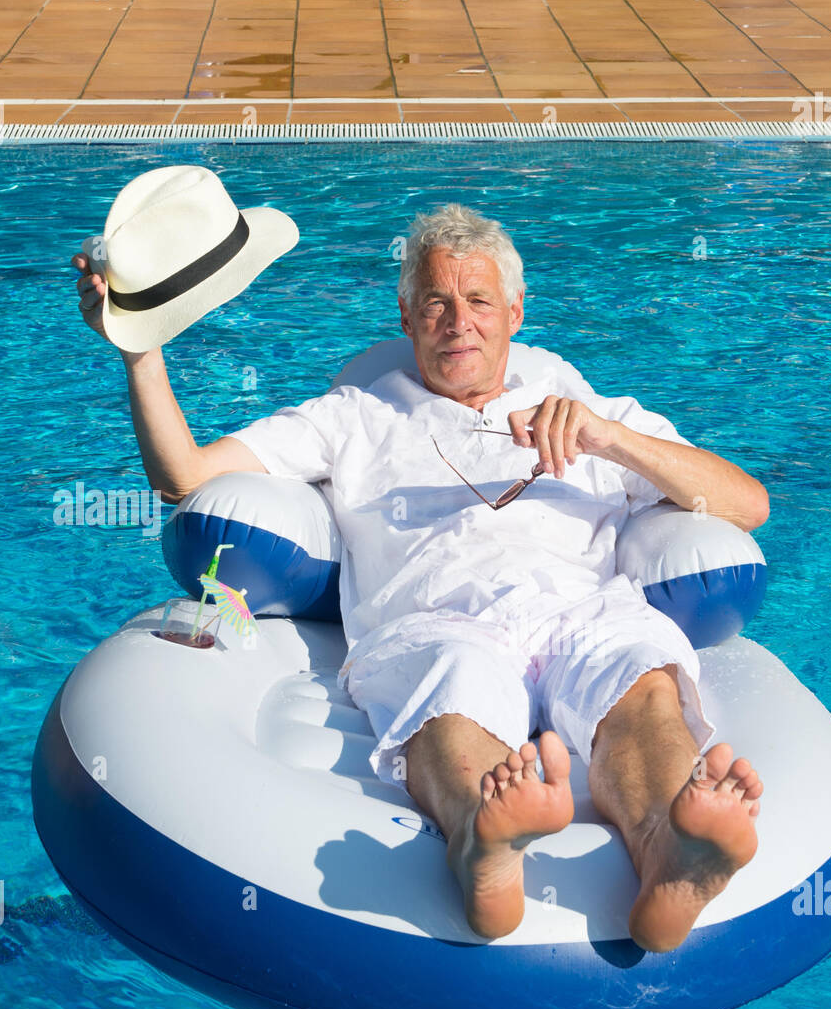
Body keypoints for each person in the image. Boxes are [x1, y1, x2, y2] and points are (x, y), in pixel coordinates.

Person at [73, 204, 770, 952]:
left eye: (477, 301)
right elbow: (185, 478)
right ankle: (483, 840)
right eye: (436, 301)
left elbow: (748, 504)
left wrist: (611, 439)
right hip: (436, 621)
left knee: (639, 677)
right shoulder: (354, 417)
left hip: (581, 613)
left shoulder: (591, 413)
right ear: (406, 316)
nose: (457, 322)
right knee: (454, 682)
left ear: (515, 312)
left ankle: (671, 849)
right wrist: (138, 351)